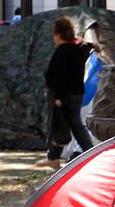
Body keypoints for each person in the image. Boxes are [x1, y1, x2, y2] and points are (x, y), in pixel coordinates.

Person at [38, 16, 99, 168]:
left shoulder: (62, 51)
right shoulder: (78, 50)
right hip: (77, 93)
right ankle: (53, 157)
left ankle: (90, 153)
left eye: (54, 34)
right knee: (63, 124)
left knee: (70, 125)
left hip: (63, 94)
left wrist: (57, 97)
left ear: (58, 34)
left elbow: (57, 76)